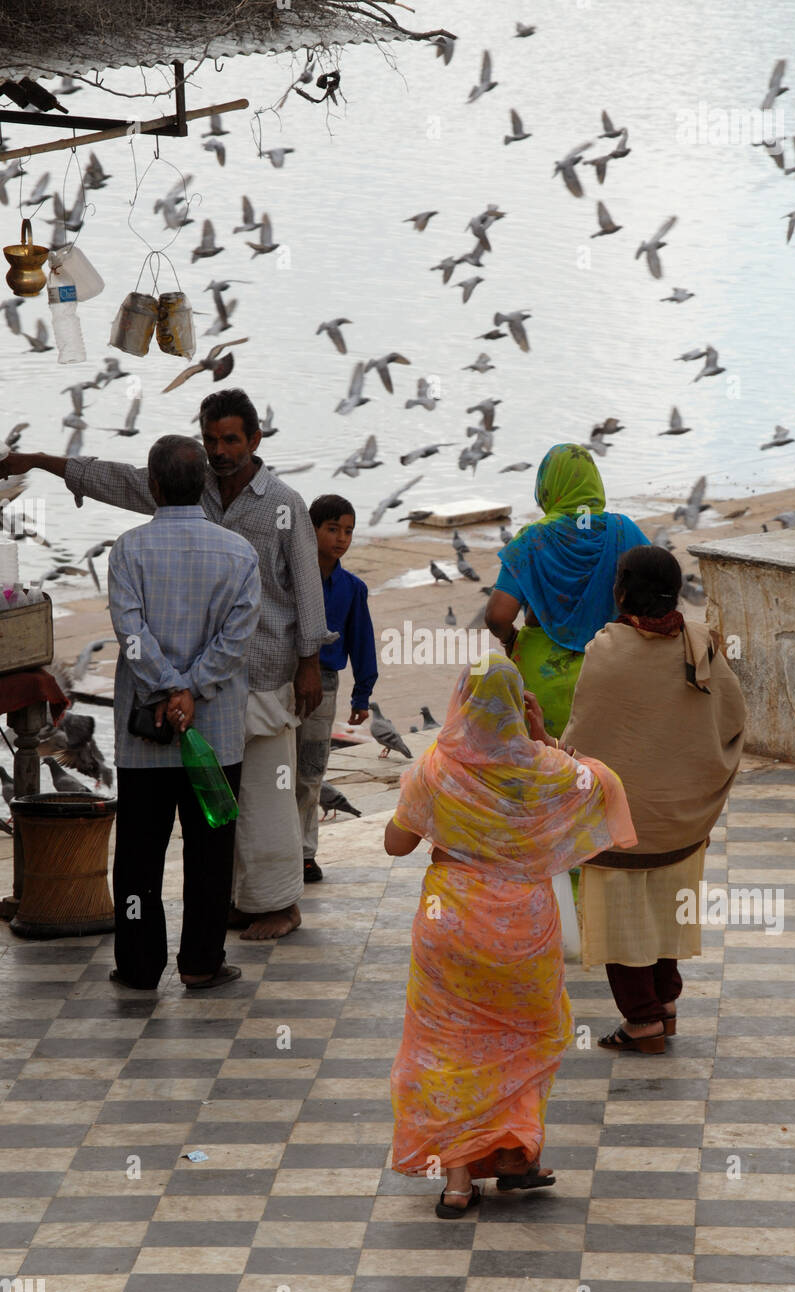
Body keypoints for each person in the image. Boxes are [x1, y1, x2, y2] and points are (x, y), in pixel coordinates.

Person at [3, 388, 333, 940]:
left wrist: (309, 663)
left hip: (266, 670)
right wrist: (39, 461)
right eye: (210, 440)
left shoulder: (284, 503)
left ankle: (278, 904)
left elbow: (306, 586)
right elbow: (114, 478)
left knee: (266, 798)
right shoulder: (187, 487)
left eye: (231, 439)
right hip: (201, 685)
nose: (220, 451)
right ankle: (228, 905)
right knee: (215, 805)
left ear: (255, 440)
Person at [384, 651, 637, 1217]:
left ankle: (456, 1181)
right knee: (522, 1039)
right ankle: (514, 1157)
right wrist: (545, 741)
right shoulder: (541, 769)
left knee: (445, 1046)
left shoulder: (435, 768)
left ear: (459, 702)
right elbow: (601, 784)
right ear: (517, 706)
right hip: (523, 926)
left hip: (450, 921)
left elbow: (396, 845)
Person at [539, 545, 746, 1053]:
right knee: (662, 908)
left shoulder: (607, 651)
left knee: (622, 916)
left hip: (623, 824)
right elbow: (733, 719)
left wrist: (547, 748)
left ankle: (643, 1021)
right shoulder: (702, 646)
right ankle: (665, 1006)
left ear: (624, 588)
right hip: (682, 822)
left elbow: (585, 742)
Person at [107, 435, 261, 990]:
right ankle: (200, 962)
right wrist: (191, 689)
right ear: (204, 486)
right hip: (213, 734)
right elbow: (236, 641)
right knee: (210, 853)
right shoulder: (239, 552)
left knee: (138, 860)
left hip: (145, 735)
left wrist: (168, 688)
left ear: (151, 485)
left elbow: (130, 635)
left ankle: (139, 965)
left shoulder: (128, 549)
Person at [485, 443, 651, 740]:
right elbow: (655, 594)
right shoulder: (624, 530)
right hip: (610, 669)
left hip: (542, 680)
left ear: (546, 487)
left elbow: (498, 615)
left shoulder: (533, 538)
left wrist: (511, 641)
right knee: (602, 772)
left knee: (545, 772)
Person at [295, 495, 378, 884]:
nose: (341, 538)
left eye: (348, 531)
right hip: (282, 681)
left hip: (325, 686)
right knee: (275, 772)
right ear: (310, 531)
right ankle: (275, 851)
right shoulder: (289, 578)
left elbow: (362, 642)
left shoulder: (351, 588)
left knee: (311, 773)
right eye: (332, 529)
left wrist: (362, 695)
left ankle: (304, 854)